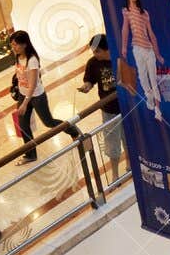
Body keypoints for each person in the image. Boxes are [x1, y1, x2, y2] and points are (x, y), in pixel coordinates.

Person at [10, 30, 81, 163]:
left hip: (36, 96)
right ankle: (30, 155)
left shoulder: (32, 60)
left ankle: (73, 131)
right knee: (23, 126)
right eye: (12, 45)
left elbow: (32, 85)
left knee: (48, 122)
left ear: (24, 44)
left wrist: (25, 104)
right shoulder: (18, 57)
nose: (13, 47)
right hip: (23, 95)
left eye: (15, 45)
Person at [118, 0, 166, 122]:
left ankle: (158, 110)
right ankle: (149, 96)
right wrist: (124, 47)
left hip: (149, 51)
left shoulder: (144, 13)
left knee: (153, 79)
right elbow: (125, 29)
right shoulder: (126, 11)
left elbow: (151, 34)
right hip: (137, 49)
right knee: (142, 78)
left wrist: (157, 54)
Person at [78, 34, 124, 173]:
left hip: (126, 107)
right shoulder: (93, 63)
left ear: (106, 49)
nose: (94, 54)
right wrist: (87, 86)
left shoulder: (120, 58)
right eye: (93, 51)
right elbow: (90, 80)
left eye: (97, 51)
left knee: (130, 140)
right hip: (108, 111)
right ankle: (115, 174)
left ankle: (130, 165)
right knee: (112, 143)